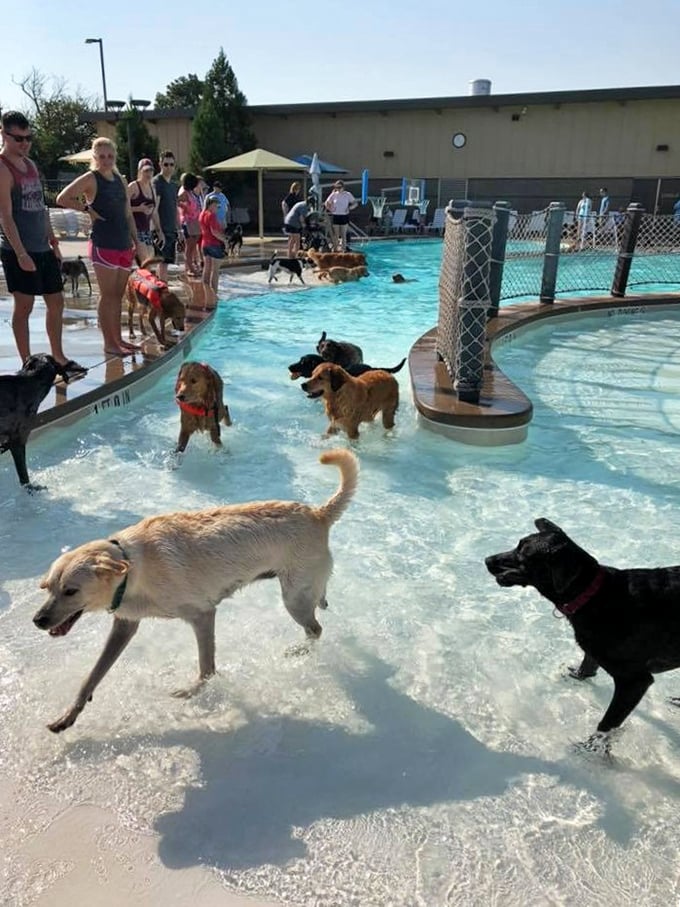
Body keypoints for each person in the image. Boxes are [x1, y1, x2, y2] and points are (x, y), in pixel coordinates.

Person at [0, 111, 87, 378]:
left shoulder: (32, 165)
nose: (25, 143)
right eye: (18, 139)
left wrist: (53, 242)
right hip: (19, 249)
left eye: (28, 138)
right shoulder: (3, 168)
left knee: (56, 301)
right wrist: (21, 253)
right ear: (3, 135)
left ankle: (59, 358)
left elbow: (42, 207)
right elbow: (5, 216)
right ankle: (27, 364)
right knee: (24, 306)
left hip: (43, 248)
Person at [56, 136, 139, 356]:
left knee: (118, 295)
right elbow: (63, 198)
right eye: (102, 156)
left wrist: (137, 241)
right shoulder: (91, 178)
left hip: (123, 243)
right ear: (95, 157)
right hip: (103, 245)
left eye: (110, 156)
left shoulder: (120, 180)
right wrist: (86, 209)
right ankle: (109, 343)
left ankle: (118, 339)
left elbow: (128, 214)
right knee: (107, 295)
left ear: (115, 156)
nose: (106, 160)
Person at [128, 157, 163, 264]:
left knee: (150, 260)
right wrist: (138, 209)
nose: (149, 173)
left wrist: (159, 231)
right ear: (140, 171)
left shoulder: (152, 188)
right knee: (145, 260)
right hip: (134, 230)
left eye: (151, 170)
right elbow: (122, 207)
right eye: (146, 171)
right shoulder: (133, 186)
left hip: (146, 230)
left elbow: (154, 212)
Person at [152, 150, 180, 283]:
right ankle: (163, 289)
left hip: (171, 229)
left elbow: (175, 208)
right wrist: (159, 231)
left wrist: (179, 229)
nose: (169, 167)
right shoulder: (157, 182)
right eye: (166, 164)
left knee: (165, 263)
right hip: (161, 229)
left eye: (171, 165)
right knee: (161, 262)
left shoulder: (173, 185)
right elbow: (154, 209)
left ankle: (161, 288)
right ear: (160, 164)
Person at [199, 194, 227, 305]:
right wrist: (225, 240)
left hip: (204, 244)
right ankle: (214, 294)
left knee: (206, 269)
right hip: (214, 245)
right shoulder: (211, 215)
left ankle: (204, 292)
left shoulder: (202, 214)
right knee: (215, 271)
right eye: (216, 206)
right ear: (211, 205)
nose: (217, 208)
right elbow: (214, 232)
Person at [177, 172, 202, 277]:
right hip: (188, 222)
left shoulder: (191, 192)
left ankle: (190, 267)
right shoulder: (185, 193)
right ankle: (190, 268)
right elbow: (176, 201)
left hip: (195, 221)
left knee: (192, 246)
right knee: (189, 247)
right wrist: (184, 207)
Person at [324, 180, 358, 251]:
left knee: (343, 234)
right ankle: (335, 249)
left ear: (343, 187)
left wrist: (349, 208)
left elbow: (355, 203)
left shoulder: (347, 194)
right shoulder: (334, 194)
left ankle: (343, 249)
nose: (338, 189)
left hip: (344, 216)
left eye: (339, 187)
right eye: (336, 187)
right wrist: (330, 209)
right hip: (336, 215)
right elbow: (326, 203)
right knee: (336, 234)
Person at [281, 181, 303, 256]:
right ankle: (294, 254)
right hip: (293, 220)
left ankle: (290, 253)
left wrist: (286, 214)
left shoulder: (292, 196)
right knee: (296, 238)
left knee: (292, 238)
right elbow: (284, 203)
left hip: (291, 219)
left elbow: (284, 203)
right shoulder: (293, 197)